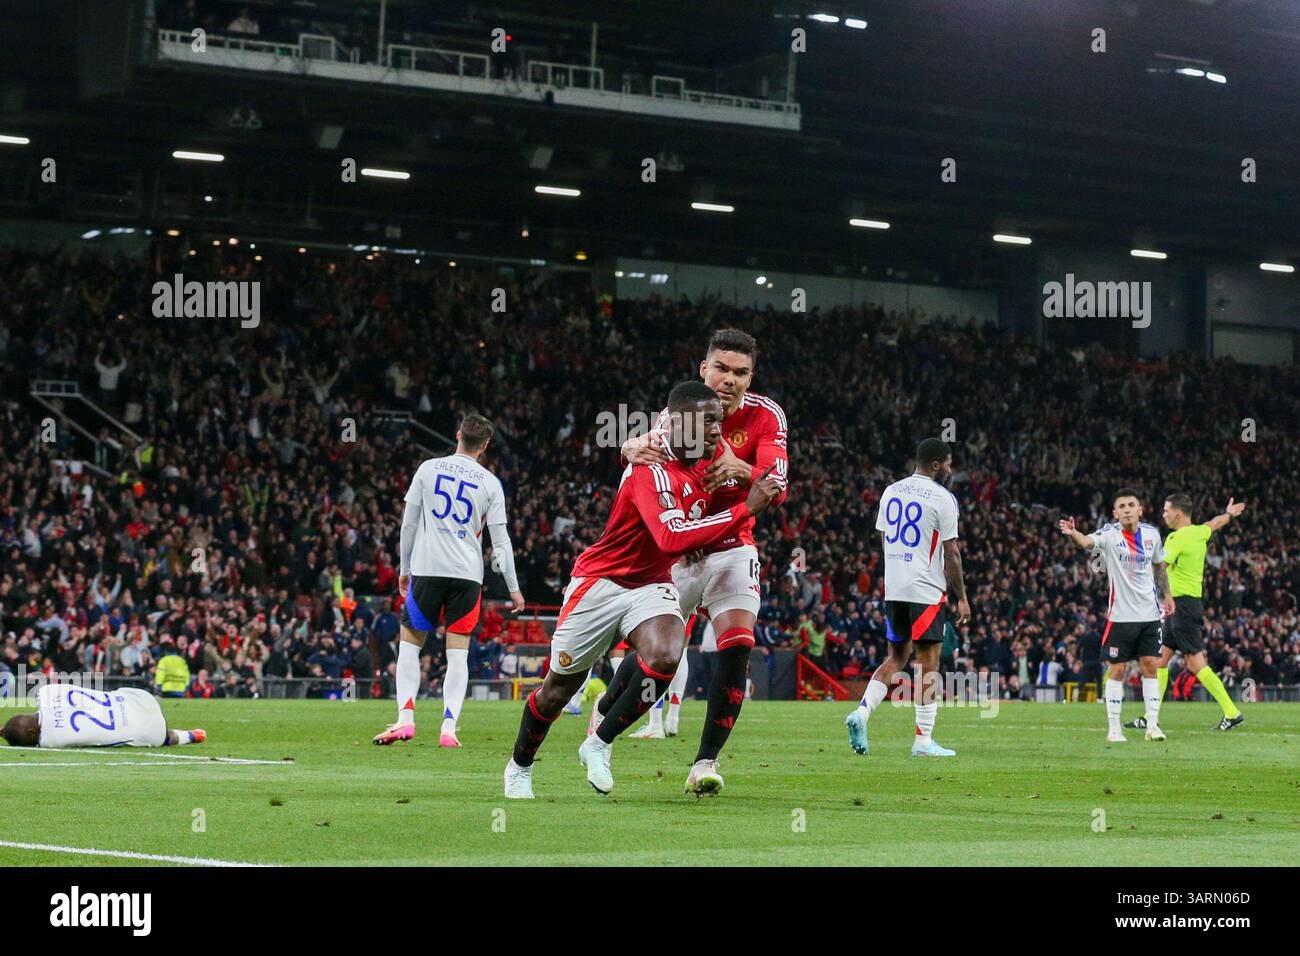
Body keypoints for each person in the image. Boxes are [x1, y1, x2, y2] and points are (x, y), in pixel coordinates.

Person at [503, 381, 781, 799]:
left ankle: (599, 740)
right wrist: (745, 507)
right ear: (679, 425)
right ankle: (519, 767)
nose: (717, 432)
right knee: (556, 690)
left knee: (666, 656)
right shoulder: (649, 467)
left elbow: (771, 480)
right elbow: (671, 537)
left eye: (719, 423)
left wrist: (747, 480)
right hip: (601, 582)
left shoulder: (708, 459)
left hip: (652, 583)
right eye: (708, 423)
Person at [618, 329, 789, 792]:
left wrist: (745, 470)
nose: (729, 380)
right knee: (658, 656)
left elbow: (778, 486)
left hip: (734, 543)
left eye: (740, 372)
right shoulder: (680, 412)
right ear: (703, 369)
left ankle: (705, 763)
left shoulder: (767, 415)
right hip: (681, 548)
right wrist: (626, 447)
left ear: (751, 377)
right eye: (721, 369)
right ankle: (606, 720)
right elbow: (644, 462)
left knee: (737, 645)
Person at [374, 413, 525, 749]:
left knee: (410, 646)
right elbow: (500, 543)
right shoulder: (490, 483)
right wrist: (514, 588)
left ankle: (406, 719)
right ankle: (448, 728)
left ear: (458, 435)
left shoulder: (428, 469)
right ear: (485, 446)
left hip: (427, 569)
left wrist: (404, 568)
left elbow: (408, 525)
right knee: (458, 655)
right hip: (467, 576)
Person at [845, 438, 970, 758]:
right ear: (936, 465)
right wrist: (962, 596)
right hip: (926, 590)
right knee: (928, 663)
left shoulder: (891, 491)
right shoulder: (944, 498)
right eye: (948, 463)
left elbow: (886, 537)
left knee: (895, 657)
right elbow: (951, 554)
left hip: (895, 588)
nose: (950, 469)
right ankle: (923, 740)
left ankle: (861, 712)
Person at [1059, 488, 1174, 742]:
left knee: (1151, 667)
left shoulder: (1153, 535)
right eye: (1121, 506)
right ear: (1114, 513)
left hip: (1149, 615)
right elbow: (1088, 542)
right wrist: (1073, 533)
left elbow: (1159, 567)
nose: (1126, 510)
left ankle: (1152, 726)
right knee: (1117, 670)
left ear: (1140, 509)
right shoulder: (1110, 535)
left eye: (1131, 505)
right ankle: (1114, 729)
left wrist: (1167, 595)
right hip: (1120, 616)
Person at [1126, 494, 1247, 732]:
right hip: (1183, 606)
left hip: (1180, 605)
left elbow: (1159, 568)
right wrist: (1229, 514)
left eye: (1165, 510)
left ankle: (1232, 712)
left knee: (1195, 663)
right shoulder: (1200, 532)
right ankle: (1151, 716)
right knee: (1160, 661)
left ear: (1178, 514)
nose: (1163, 514)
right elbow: (1215, 523)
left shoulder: (1176, 538)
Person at [1, 683, 204, 748]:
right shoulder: (46, 692)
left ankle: (189, 736)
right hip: (140, 698)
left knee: (160, 737)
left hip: (154, 732)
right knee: (113, 695)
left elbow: (38, 740)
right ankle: (190, 735)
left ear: (31, 732)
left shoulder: (50, 740)